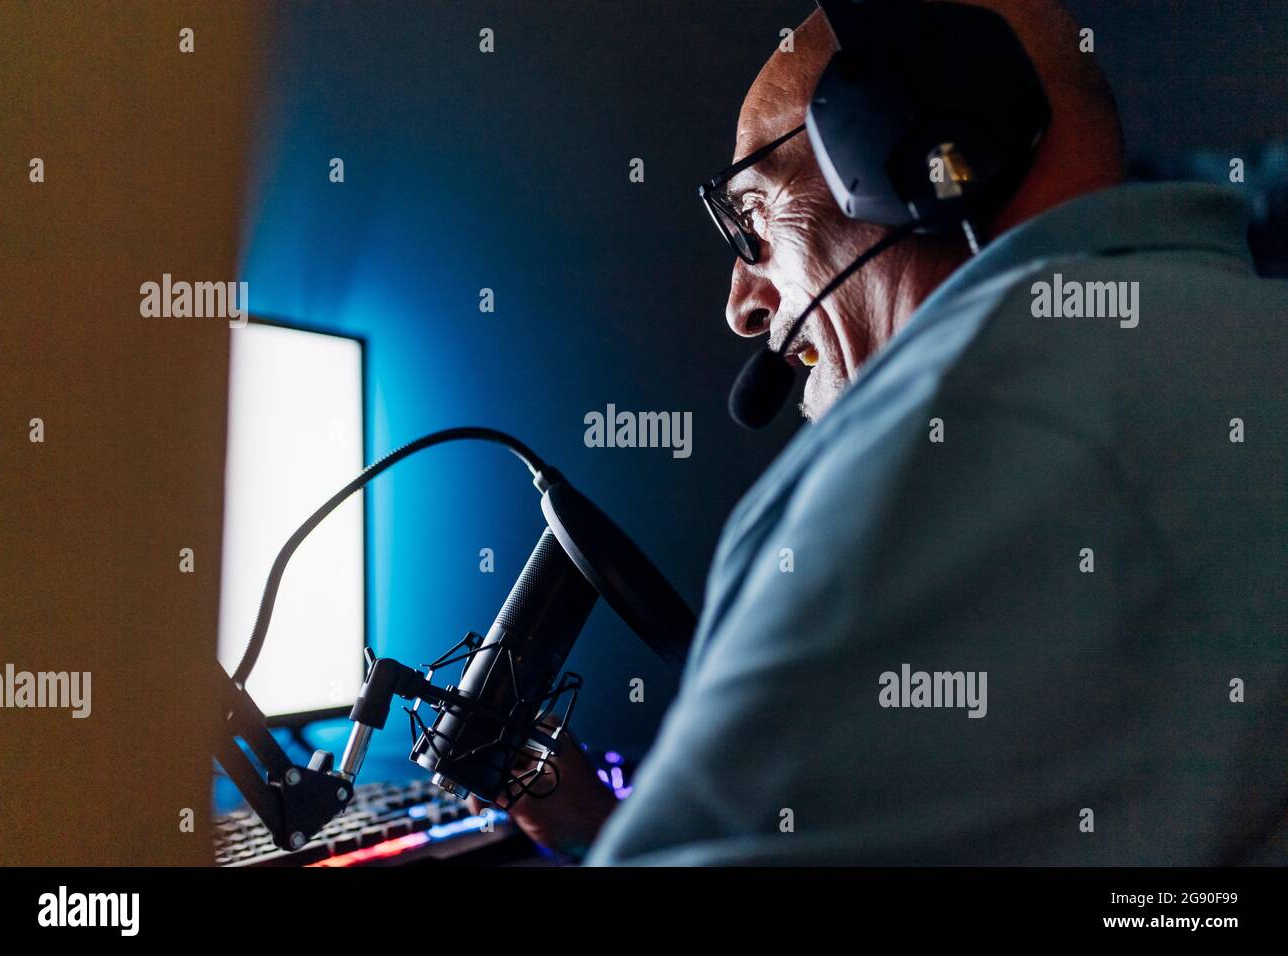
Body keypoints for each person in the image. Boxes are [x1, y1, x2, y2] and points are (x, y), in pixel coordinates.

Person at [478, 0, 1288, 864]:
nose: (742, 306)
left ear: (900, 149)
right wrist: (604, 835)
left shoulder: (955, 437)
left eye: (751, 217)